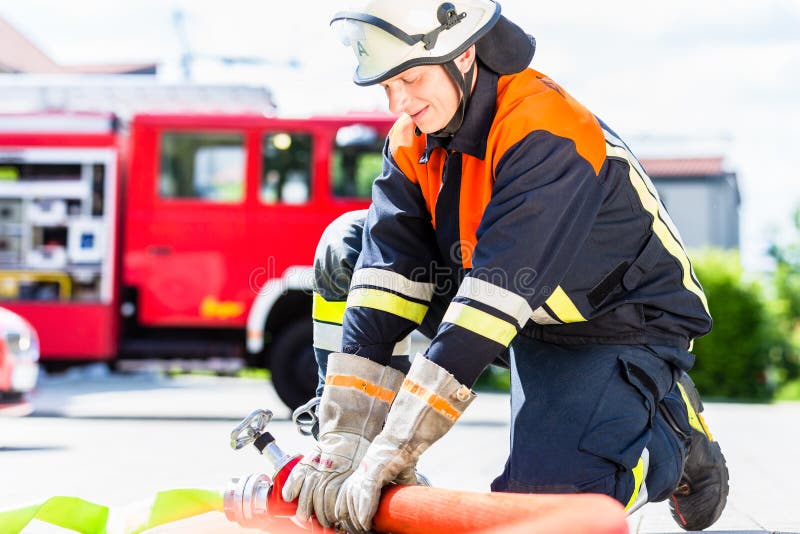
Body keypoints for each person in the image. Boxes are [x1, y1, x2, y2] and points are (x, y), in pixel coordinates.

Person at [282, 0, 729, 532]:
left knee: (546, 508)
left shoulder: (546, 129)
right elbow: (387, 278)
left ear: (465, 53)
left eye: (413, 78)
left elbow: (492, 302)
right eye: (387, 86)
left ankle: (671, 437)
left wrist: (395, 448)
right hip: (518, 311)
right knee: (347, 246)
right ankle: (338, 438)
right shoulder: (412, 137)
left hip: (618, 326)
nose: (399, 101)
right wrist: (350, 436)